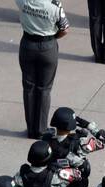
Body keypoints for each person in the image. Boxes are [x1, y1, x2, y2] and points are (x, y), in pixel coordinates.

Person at [17, 0, 69, 137]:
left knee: (28, 88)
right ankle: (40, 129)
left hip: (27, 44)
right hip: (48, 46)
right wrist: (52, 37)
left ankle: (31, 129)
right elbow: (65, 29)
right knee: (44, 89)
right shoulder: (54, 6)